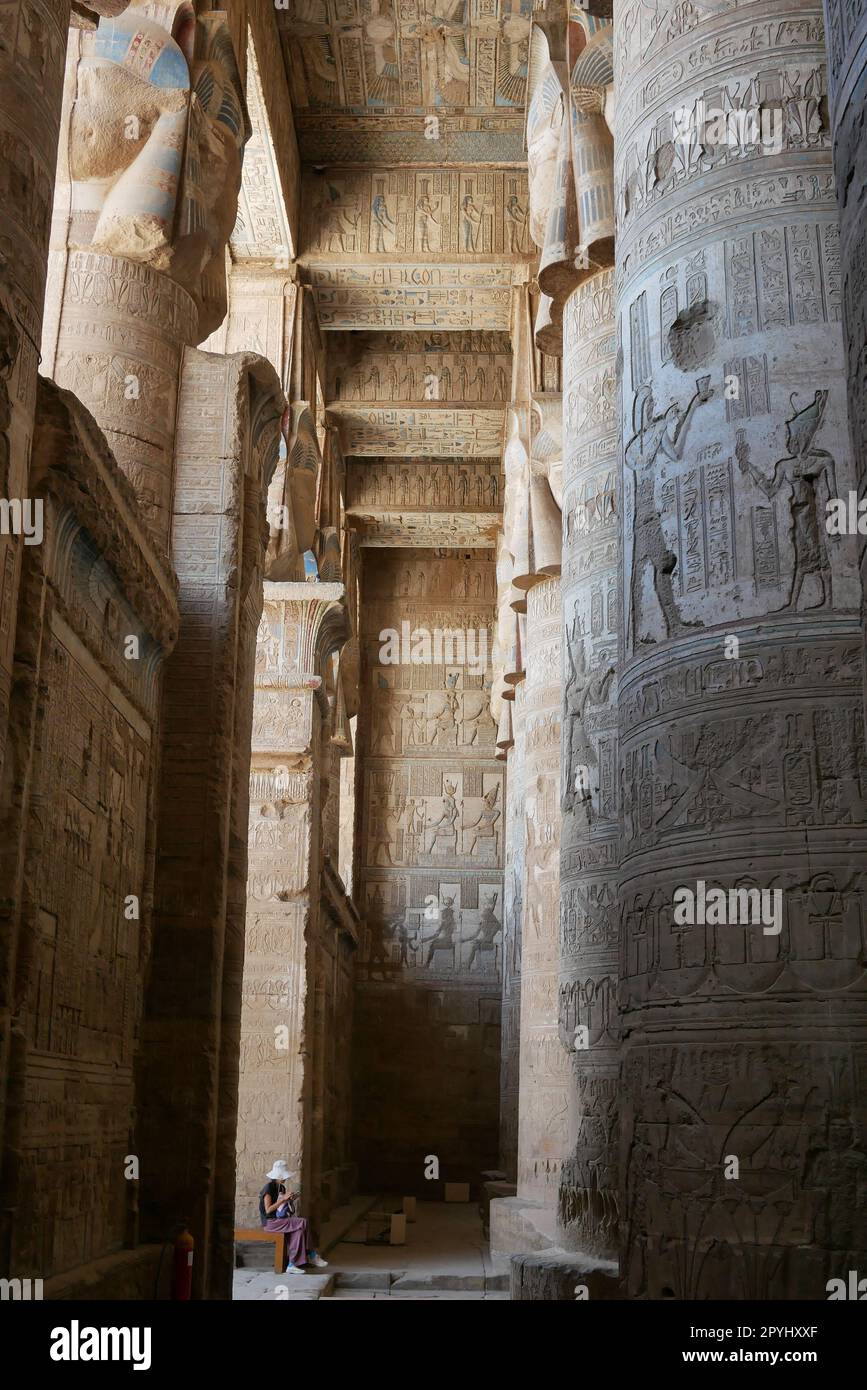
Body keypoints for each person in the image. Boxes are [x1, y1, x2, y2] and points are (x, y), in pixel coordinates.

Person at [259, 1159, 328, 1275]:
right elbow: (268, 1210)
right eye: (283, 1176)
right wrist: (284, 1200)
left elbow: (282, 1208)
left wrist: (289, 1200)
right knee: (303, 1222)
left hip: (280, 1220)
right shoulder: (268, 1188)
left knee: (299, 1232)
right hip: (271, 1223)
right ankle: (312, 1254)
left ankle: (292, 1264)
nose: (285, 1179)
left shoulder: (281, 1188)